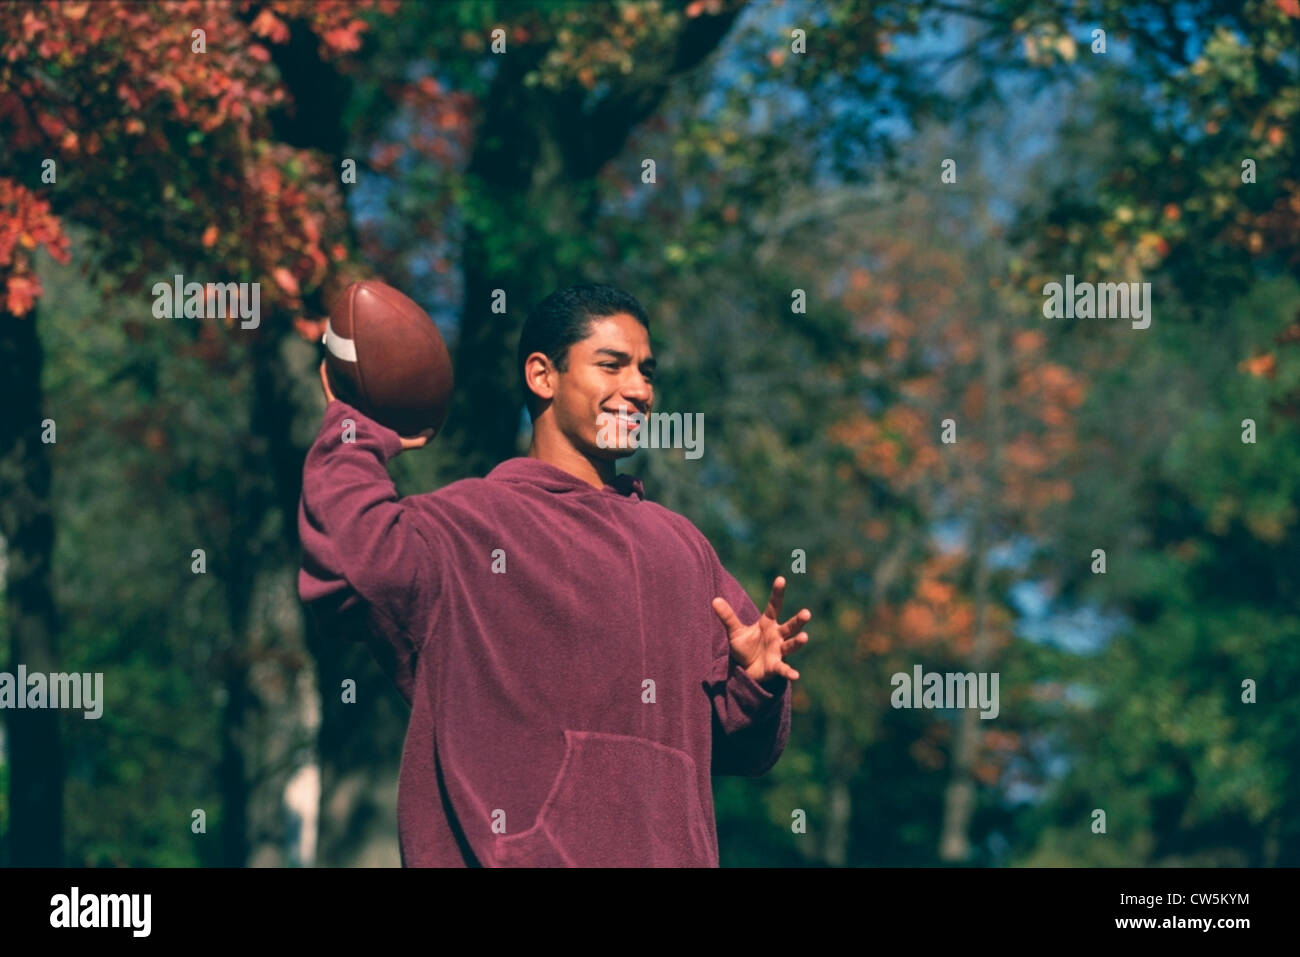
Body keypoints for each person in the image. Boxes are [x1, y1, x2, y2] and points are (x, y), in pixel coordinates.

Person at [297, 282, 810, 866]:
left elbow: (746, 750)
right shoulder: (465, 525)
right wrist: (355, 429)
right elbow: (350, 564)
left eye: (647, 371)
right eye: (612, 365)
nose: (639, 390)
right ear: (543, 376)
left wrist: (757, 686)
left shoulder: (685, 550)